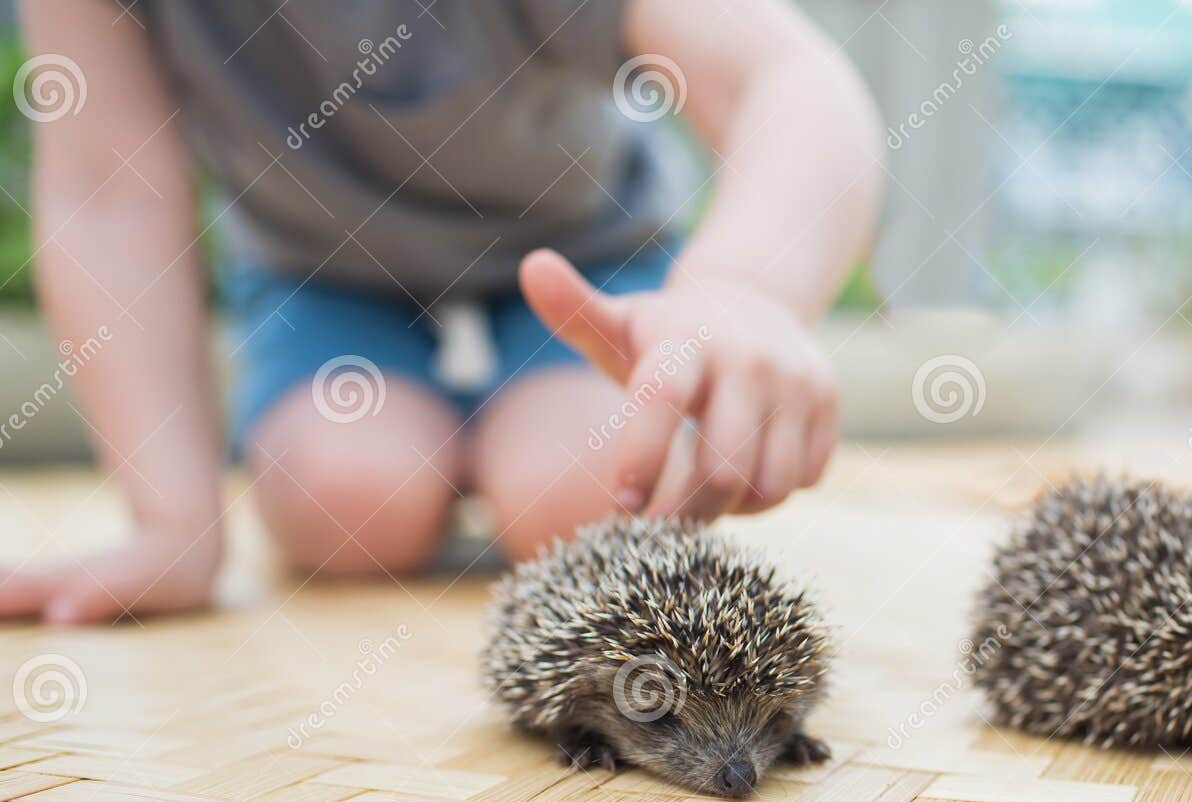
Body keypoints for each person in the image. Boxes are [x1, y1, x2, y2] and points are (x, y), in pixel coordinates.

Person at [2, 0, 883, 623]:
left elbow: (789, 77)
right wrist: (173, 520)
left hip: (583, 268)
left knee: (590, 492)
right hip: (326, 272)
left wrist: (741, 289)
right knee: (345, 498)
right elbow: (108, 189)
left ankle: (508, 431)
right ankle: (454, 438)